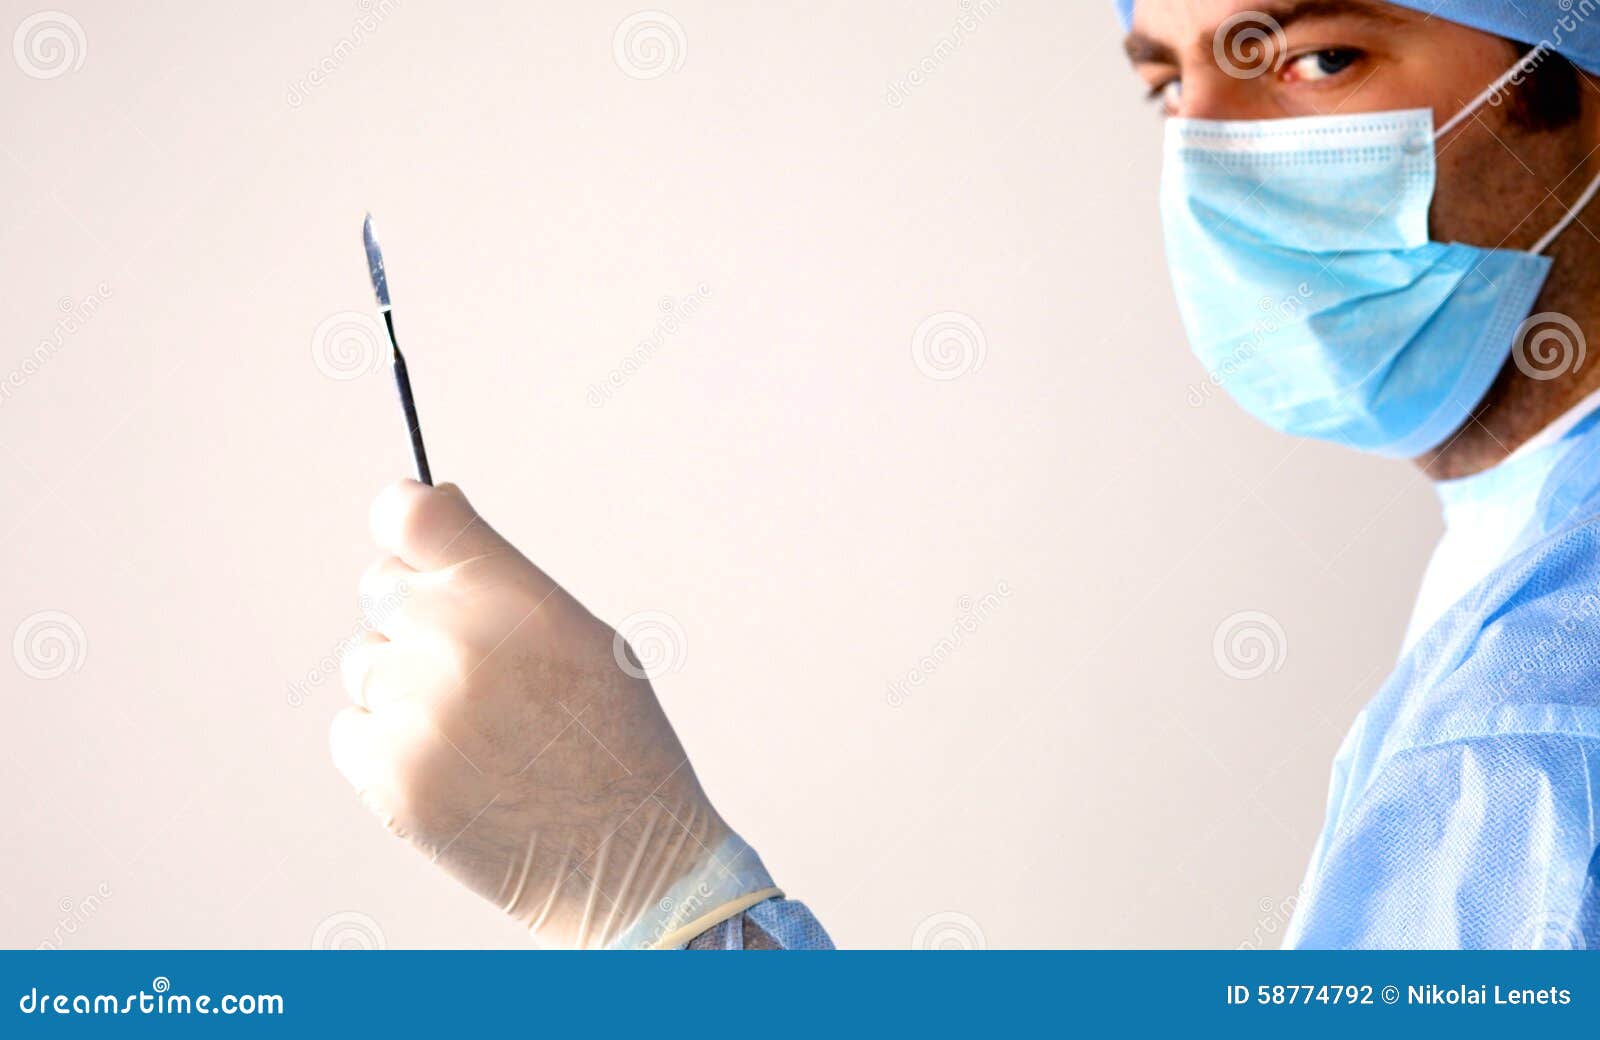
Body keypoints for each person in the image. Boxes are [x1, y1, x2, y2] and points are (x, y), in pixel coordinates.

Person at [330, 0, 1600, 949]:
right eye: (1169, 82)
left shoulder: (1532, 741)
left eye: (1318, 58)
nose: (1205, 152)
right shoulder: (1526, 547)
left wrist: (660, 903)